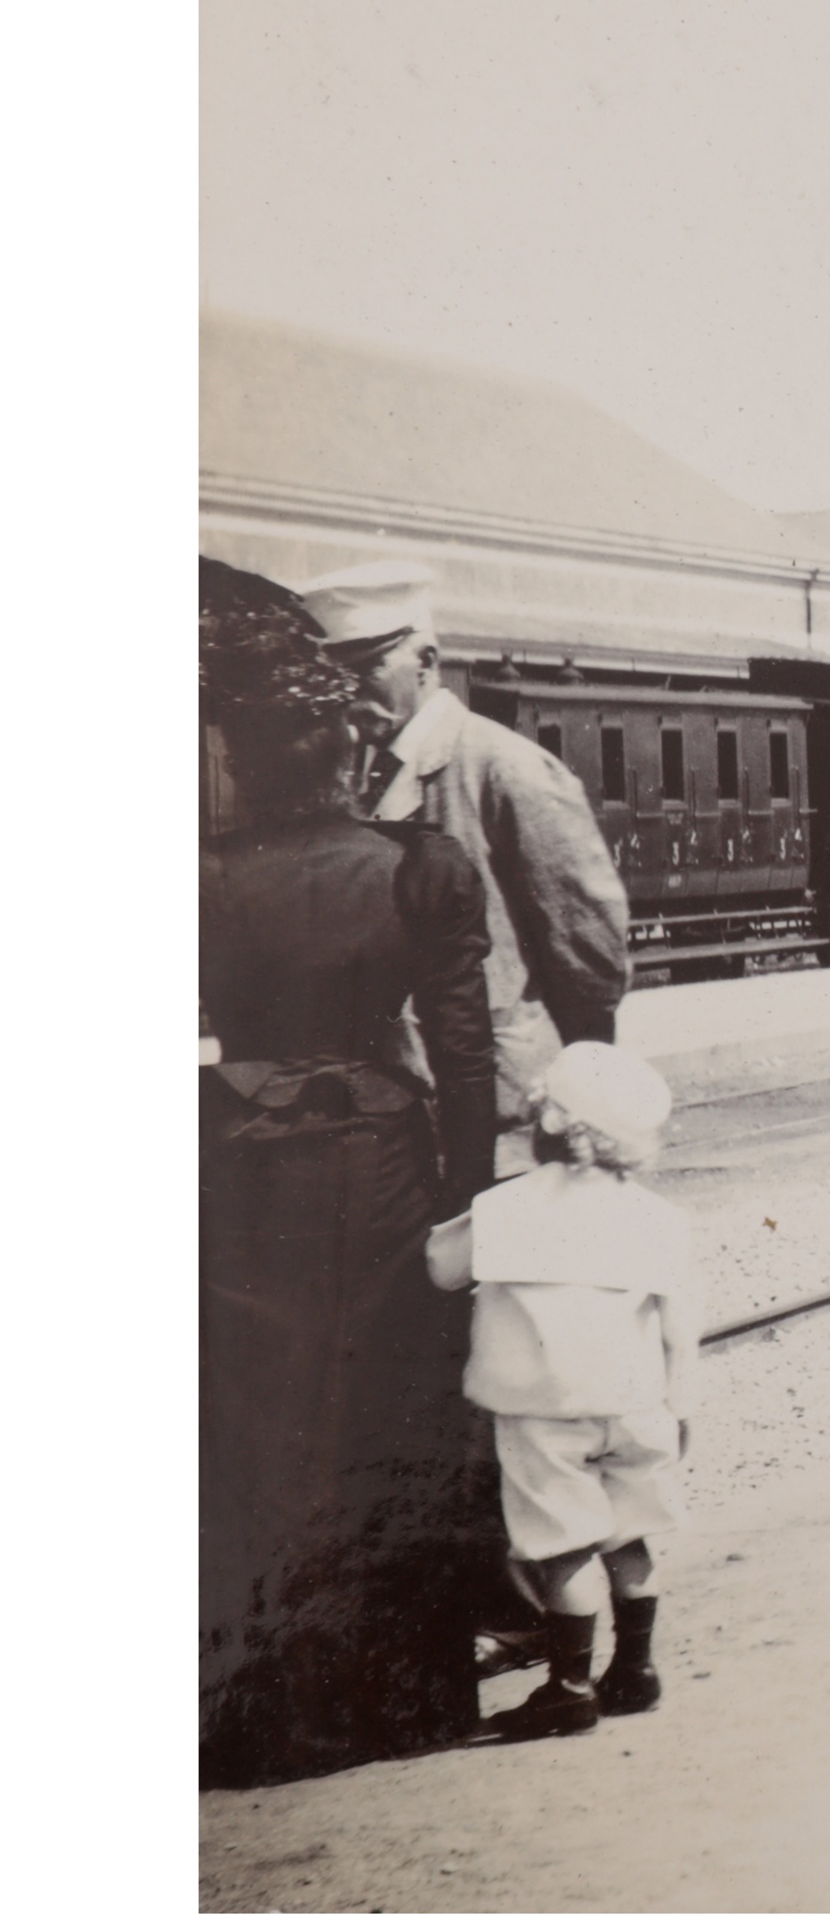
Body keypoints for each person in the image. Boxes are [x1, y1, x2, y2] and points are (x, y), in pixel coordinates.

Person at [200, 558, 504, 1785]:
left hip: (240, 1173)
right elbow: (468, 1058)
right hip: (386, 1166)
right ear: (345, 756)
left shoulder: (204, 876)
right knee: (389, 1409)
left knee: (251, 1423)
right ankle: (407, 1700)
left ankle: (261, 1715)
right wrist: (469, 1203)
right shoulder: (421, 867)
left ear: (246, 760)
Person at [298, 560, 635, 1153]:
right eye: (336, 675)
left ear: (425, 661)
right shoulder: (360, 777)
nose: (348, 693)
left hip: (507, 1113)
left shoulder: (505, 768)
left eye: (367, 669)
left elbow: (589, 955)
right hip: (403, 1116)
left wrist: (580, 1087)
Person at [427, 1041, 703, 1742]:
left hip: (543, 1413)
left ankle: (569, 1689)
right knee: (629, 1537)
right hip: (638, 1406)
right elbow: (681, 1330)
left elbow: (441, 1267)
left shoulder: (507, 1207)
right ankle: (635, 1670)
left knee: (565, 1545)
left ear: (544, 1120)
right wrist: (680, 1409)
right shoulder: (661, 1219)